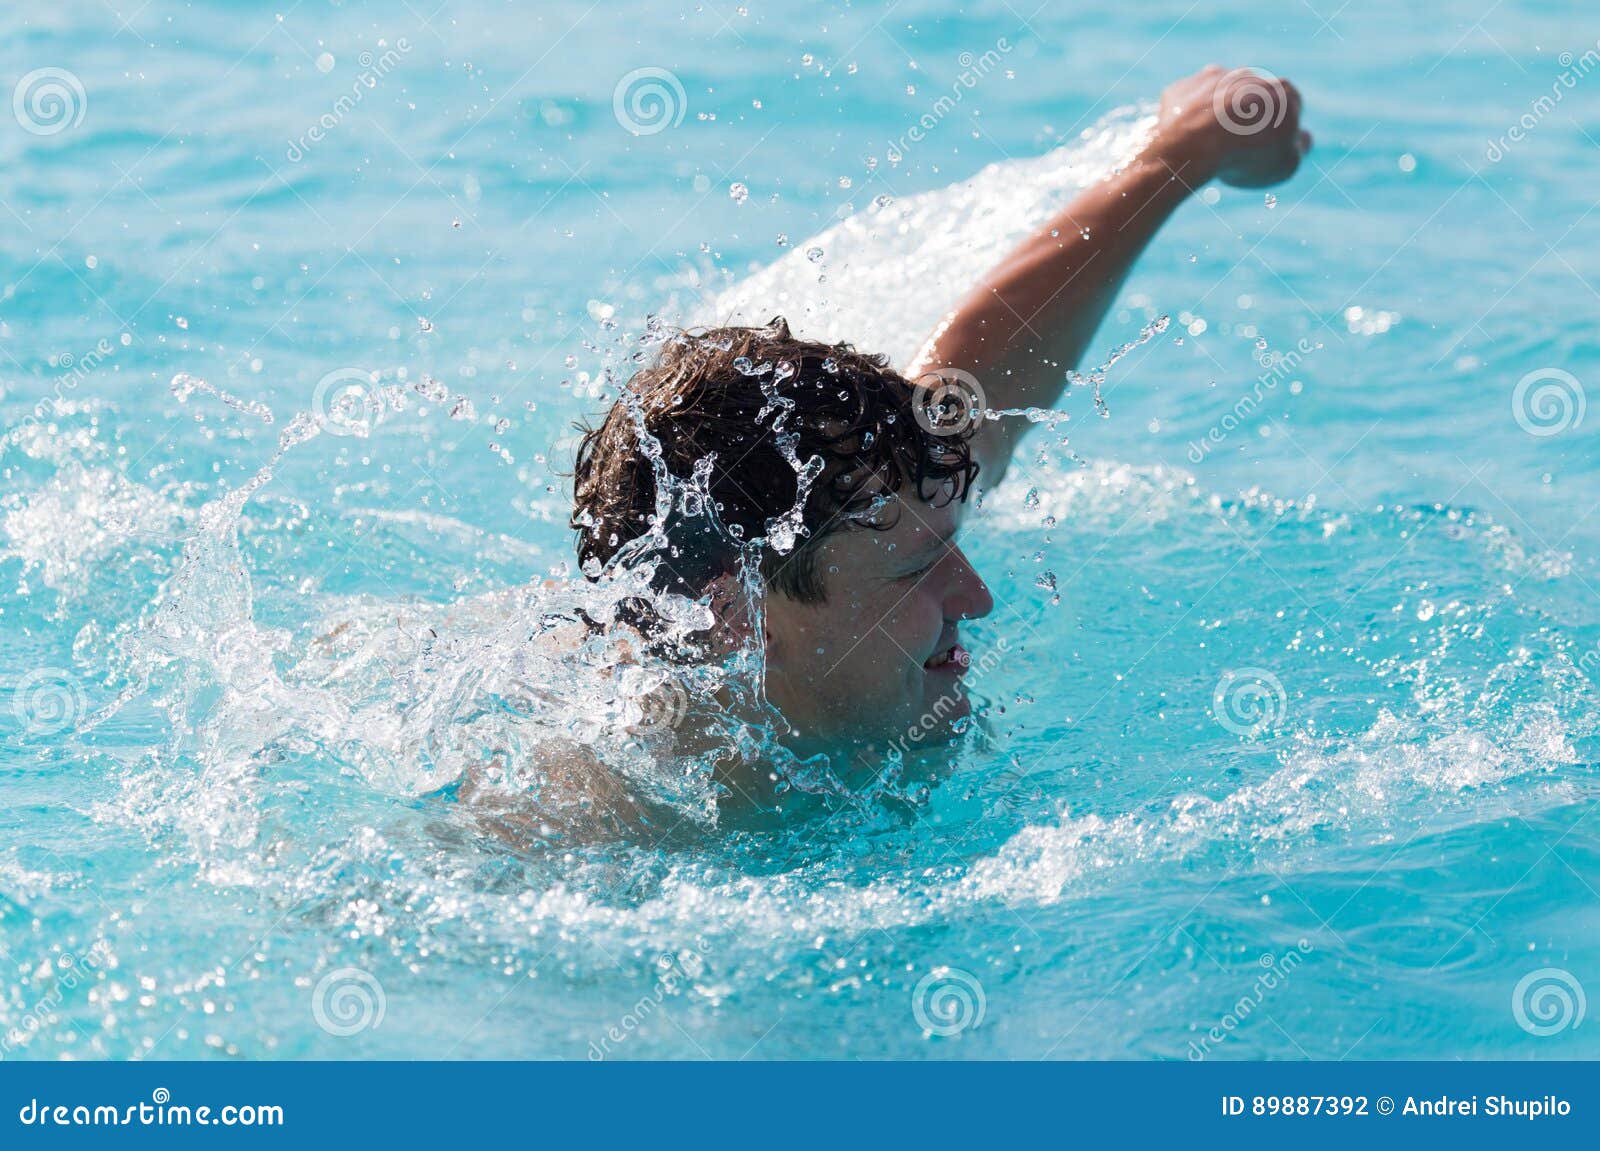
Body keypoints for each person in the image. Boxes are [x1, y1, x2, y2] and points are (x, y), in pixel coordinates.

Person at [571, 66, 1310, 776]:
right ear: (735, 618)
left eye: (946, 548)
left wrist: (1185, 151)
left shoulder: (884, 499)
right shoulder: (604, 820)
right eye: (918, 567)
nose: (980, 597)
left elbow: (991, 373)